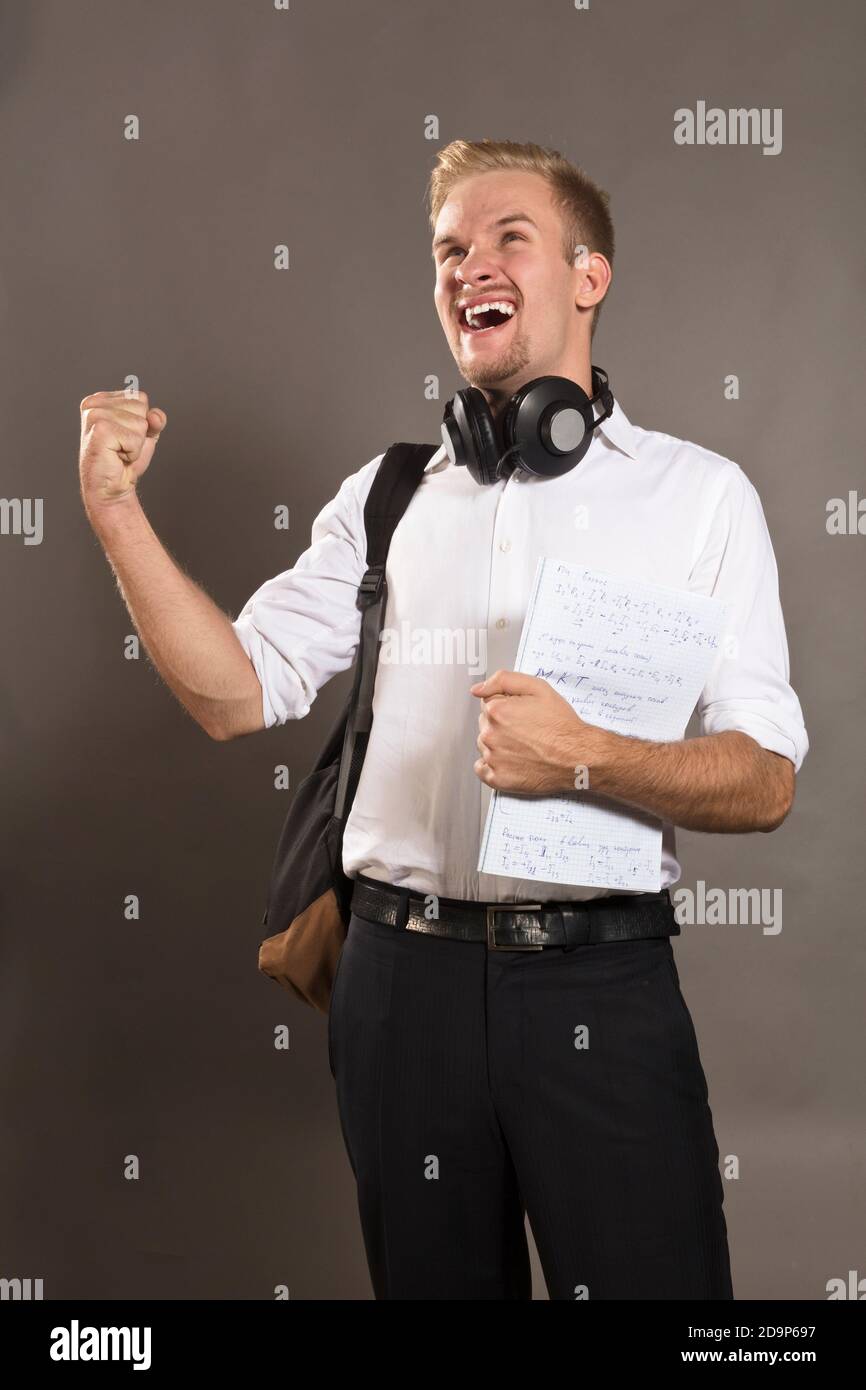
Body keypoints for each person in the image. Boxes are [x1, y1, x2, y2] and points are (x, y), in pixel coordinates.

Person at [78, 138, 808, 1301]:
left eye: (507, 236)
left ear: (587, 273)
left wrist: (585, 756)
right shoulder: (386, 496)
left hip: (598, 997)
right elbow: (234, 692)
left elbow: (764, 778)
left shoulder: (699, 497)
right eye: (449, 249)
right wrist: (114, 512)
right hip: (395, 994)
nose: (471, 261)